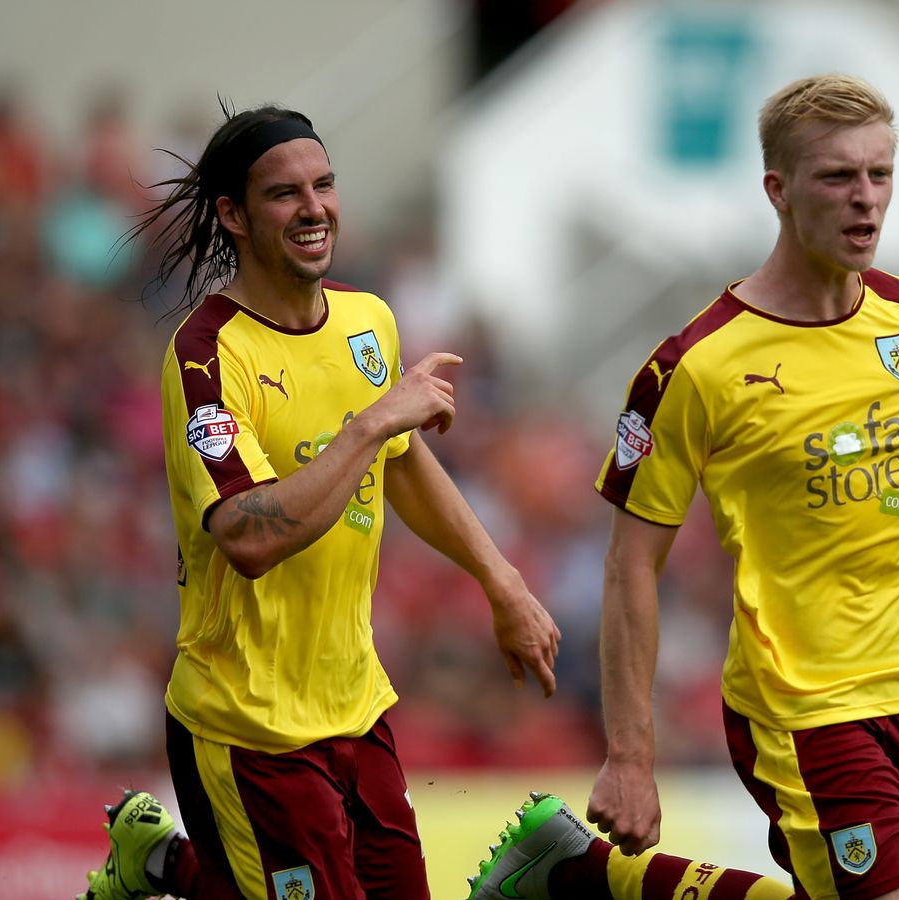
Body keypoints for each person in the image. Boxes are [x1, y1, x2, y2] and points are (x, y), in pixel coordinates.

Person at [474, 74, 899, 900]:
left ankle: (582, 878)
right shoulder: (697, 367)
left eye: (880, 174)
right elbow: (631, 565)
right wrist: (631, 755)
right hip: (798, 709)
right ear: (777, 190)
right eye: (837, 176)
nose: (865, 198)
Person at [76, 103, 562, 900]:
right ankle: (166, 862)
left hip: (355, 709)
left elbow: (403, 464)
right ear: (233, 216)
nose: (314, 208)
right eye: (284, 193)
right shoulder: (207, 354)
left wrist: (501, 582)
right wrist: (371, 423)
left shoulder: (367, 320)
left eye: (324, 185)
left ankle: (159, 862)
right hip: (248, 728)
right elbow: (248, 537)